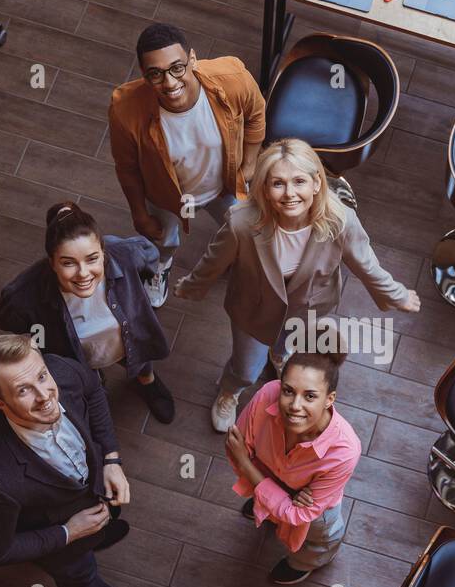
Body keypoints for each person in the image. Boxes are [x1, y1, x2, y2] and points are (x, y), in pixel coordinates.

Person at [173, 137, 420, 432]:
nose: (290, 193)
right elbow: (213, 259)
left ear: (316, 183)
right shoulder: (242, 223)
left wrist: (397, 294)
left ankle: (278, 354)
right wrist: (191, 286)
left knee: (286, 345)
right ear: (264, 187)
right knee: (246, 368)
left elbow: (367, 265)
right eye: (278, 183)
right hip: (252, 311)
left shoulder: (341, 221)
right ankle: (231, 390)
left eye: (299, 181)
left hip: (307, 308)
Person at [0, 334, 160, 587]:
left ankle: (100, 533)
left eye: (41, 377)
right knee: (82, 579)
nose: (45, 396)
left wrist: (111, 458)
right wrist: (69, 532)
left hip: (93, 493)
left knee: (106, 518)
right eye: (23, 390)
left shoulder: (58, 370)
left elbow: (94, 391)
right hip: (60, 541)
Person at [107, 21, 265, 309]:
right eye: (155, 74)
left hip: (226, 183)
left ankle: (231, 256)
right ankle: (161, 265)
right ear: (144, 75)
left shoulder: (232, 78)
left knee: (243, 231)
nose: (169, 83)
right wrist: (139, 214)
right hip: (166, 196)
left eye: (177, 68)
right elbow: (127, 168)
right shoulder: (124, 110)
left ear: (192, 59)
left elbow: (256, 115)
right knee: (162, 239)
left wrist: (250, 165)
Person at [0, 201, 175, 424]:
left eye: (92, 259)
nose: (83, 274)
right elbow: (5, 316)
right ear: (52, 263)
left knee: (139, 357)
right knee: (85, 378)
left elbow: (150, 255)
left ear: (103, 252)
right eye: (68, 263)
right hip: (77, 354)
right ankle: (93, 384)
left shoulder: (124, 254)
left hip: (125, 339)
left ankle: (147, 381)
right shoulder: (27, 292)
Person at [225, 349, 360, 585]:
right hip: (281, 486)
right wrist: (285, 496)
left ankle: (305, 562)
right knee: (272, 504)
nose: (294, 406)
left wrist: (250, 467)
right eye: (288, 391)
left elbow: (300, 515)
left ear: (329, 399)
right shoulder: (268, 393)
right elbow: (235, 448)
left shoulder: (345, 451)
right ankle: (267, 507)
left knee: (320, 539)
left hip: (317, 513)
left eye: (310, 396)